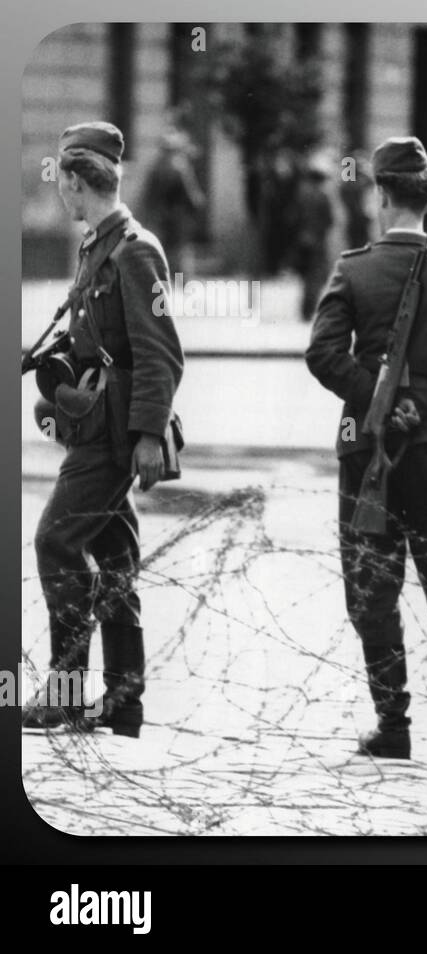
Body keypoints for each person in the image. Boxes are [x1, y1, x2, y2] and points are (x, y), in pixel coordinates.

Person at [305, 135, 427, 759]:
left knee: (373, 591)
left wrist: (376, 397)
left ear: (382, 195)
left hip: (366, 452)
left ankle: (393, 726)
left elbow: (323, 354)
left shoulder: (355, 268)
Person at [23, 121, 185, 739]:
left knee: (55, 542)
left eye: (61, 180)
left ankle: (66, 693)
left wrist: (146, 436)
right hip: (98, 425)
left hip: (114, 436)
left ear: (74, 180)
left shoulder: (135, 249)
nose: (59, 192)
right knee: (114, 558)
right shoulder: (100, 245)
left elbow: (160, 353)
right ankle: (123, 699)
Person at [140, 129, 206, 276]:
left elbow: (148, 196)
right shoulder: (180, 168)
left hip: (160, 217)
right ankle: (184, 285)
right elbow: (193, 198)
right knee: (181, 252)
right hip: (179, 218)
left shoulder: (155, 168)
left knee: (161, 251)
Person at [291, 156, 336, 321]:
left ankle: (304, 309)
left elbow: (292, 217)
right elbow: (330, 220)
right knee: (316, 276)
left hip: (301, 239)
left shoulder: (300, 193)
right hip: (317, 240)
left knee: (305, 277)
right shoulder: (322, 195)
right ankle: (308, 310)